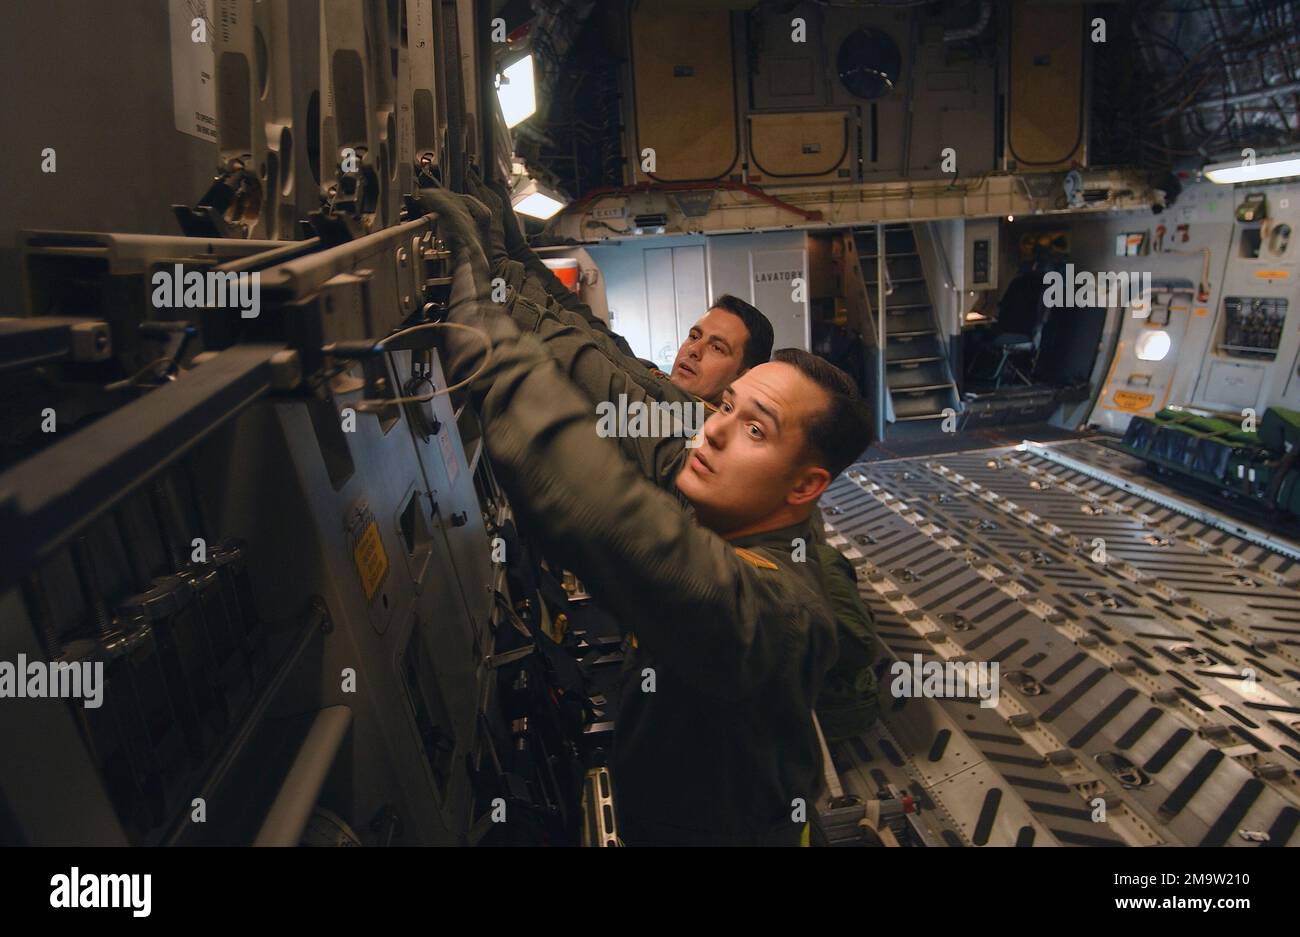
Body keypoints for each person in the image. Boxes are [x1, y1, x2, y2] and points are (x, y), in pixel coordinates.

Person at [420, 188, 874, 845]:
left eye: (755, 428)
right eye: (725, 407)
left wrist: (475, 322)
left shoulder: (778, 616)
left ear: (806, 484)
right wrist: (507, 263)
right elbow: (605, 369)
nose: (714, 432)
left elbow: (596, 503)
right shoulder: (727, 489)